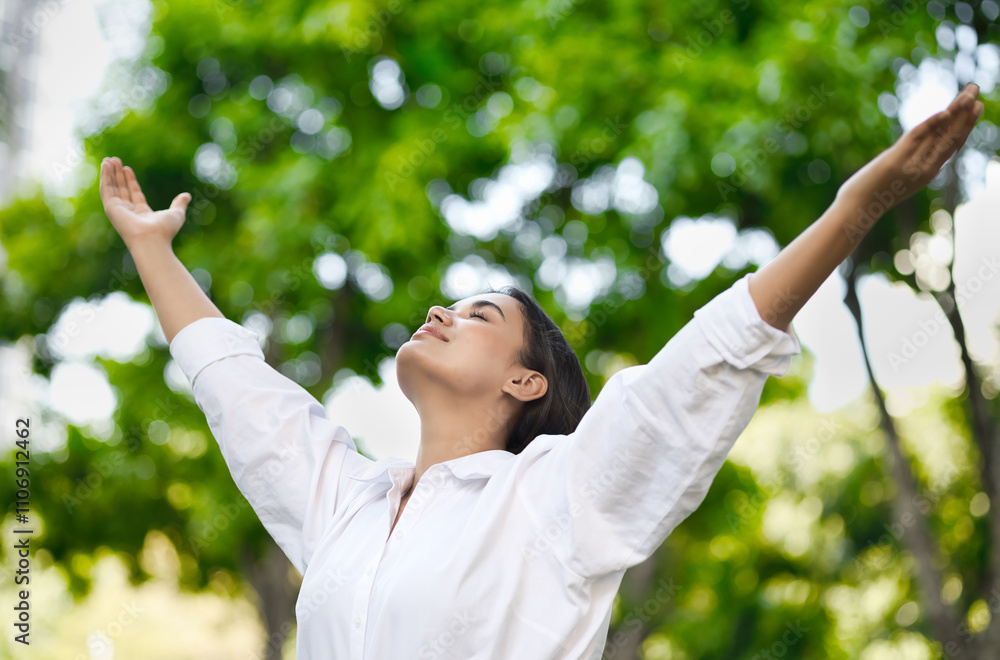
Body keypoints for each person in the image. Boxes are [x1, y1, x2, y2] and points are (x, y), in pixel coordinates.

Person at [99, 83, 983, 659]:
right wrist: (152, 253)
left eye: (480, 315)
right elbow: (239, 390)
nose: (441, 312)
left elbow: (697, 368)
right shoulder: (346, 505)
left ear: (526, 383)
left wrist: (856, 205)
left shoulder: (555, 498)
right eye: (450, 305)